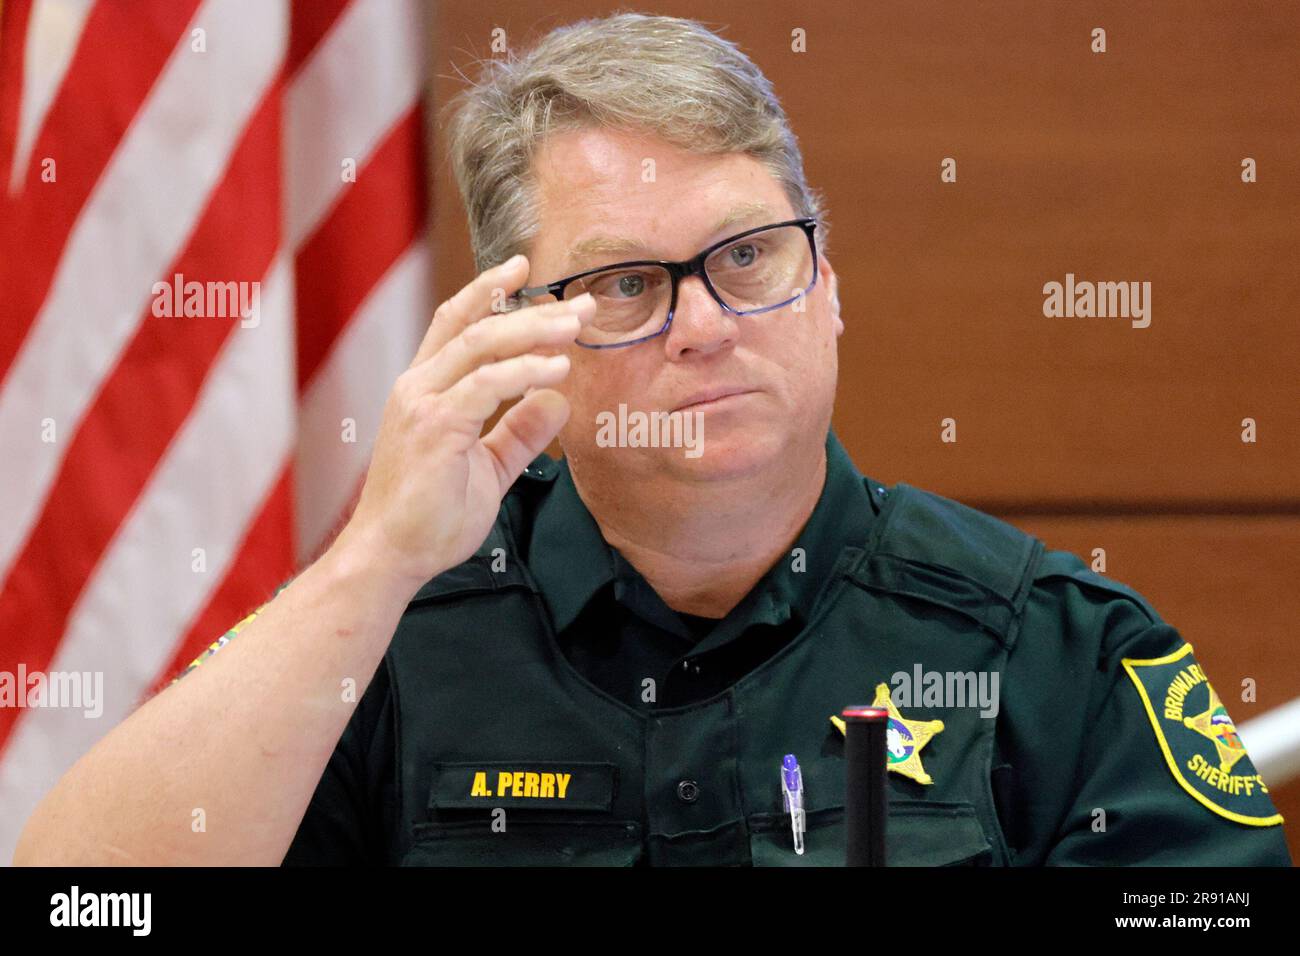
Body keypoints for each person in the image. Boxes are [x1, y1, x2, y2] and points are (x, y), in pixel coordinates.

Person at [14, 13, 1288, 867]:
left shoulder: (1052, 646)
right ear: (519, 336)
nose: (705, 325)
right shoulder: (391, 640)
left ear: (828, 284)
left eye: (748, 256)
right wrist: (370, 563)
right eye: (624, 281)